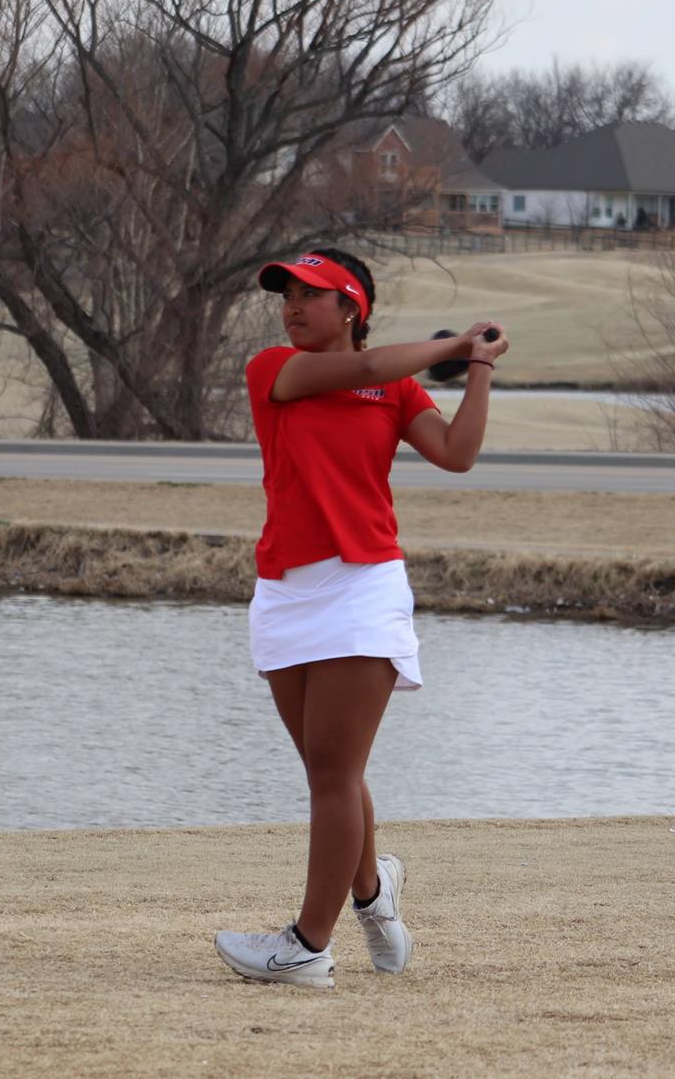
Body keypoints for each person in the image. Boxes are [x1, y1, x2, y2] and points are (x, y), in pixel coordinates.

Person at [214, 248, 508, 989]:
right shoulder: (276, 369)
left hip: (363, 588)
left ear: (351, 308)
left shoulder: (398, 388)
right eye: (286, 294)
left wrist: (478, 367)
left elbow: (457, 453)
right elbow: (365, 367)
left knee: (334, 773)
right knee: (329, 771)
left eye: (310, 294)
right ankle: (375, 895)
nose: (292, 305)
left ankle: (307, 946)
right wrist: (455, 344)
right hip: (285, 593)